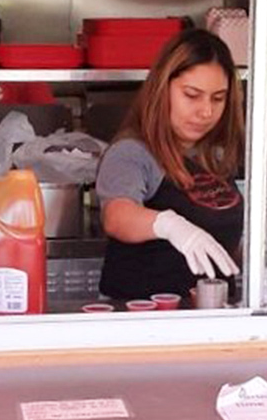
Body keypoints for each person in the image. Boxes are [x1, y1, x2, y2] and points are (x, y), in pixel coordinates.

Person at [95, 27, 244, 308]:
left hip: (210, 312)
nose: (206, 111)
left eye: (218, 98)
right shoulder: (132, 152)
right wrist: (170, 225)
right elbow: (117, 215)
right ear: (163, 89)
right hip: (145, 317)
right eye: (192, 95)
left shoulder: (215, 155)